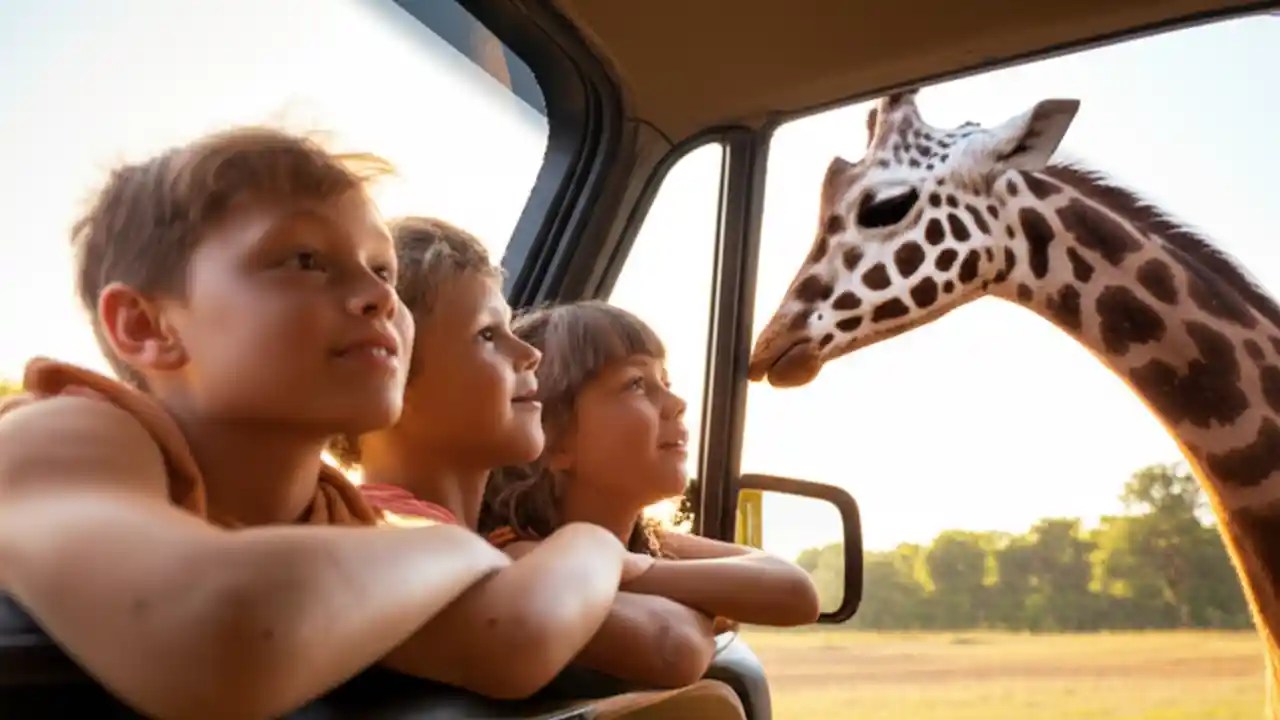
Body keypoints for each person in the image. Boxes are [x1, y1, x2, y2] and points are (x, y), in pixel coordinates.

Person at [0, 128, 512, 719]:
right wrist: (456, 549)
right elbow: (207, 635)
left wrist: (598, 550)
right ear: (148, 327)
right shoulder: (66, 434)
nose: (380, 296)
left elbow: (521, 632)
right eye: (306, 260)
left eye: (383, 270)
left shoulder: (335, 513)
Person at [332, 217, 725, 697]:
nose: (528, 354)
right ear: (391, 372)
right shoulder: (383, 531)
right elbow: (670, 642)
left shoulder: (451, 540)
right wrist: (598, 545)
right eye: (487, 336)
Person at [481, 300, 822, 646]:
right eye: (636, 384)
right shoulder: (525, 557)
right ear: (552, 440)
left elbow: (796, 592)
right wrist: (704, 599)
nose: (677, 403)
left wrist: (626, 567)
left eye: (665, 381)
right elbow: (672, 644)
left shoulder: (645, 543)